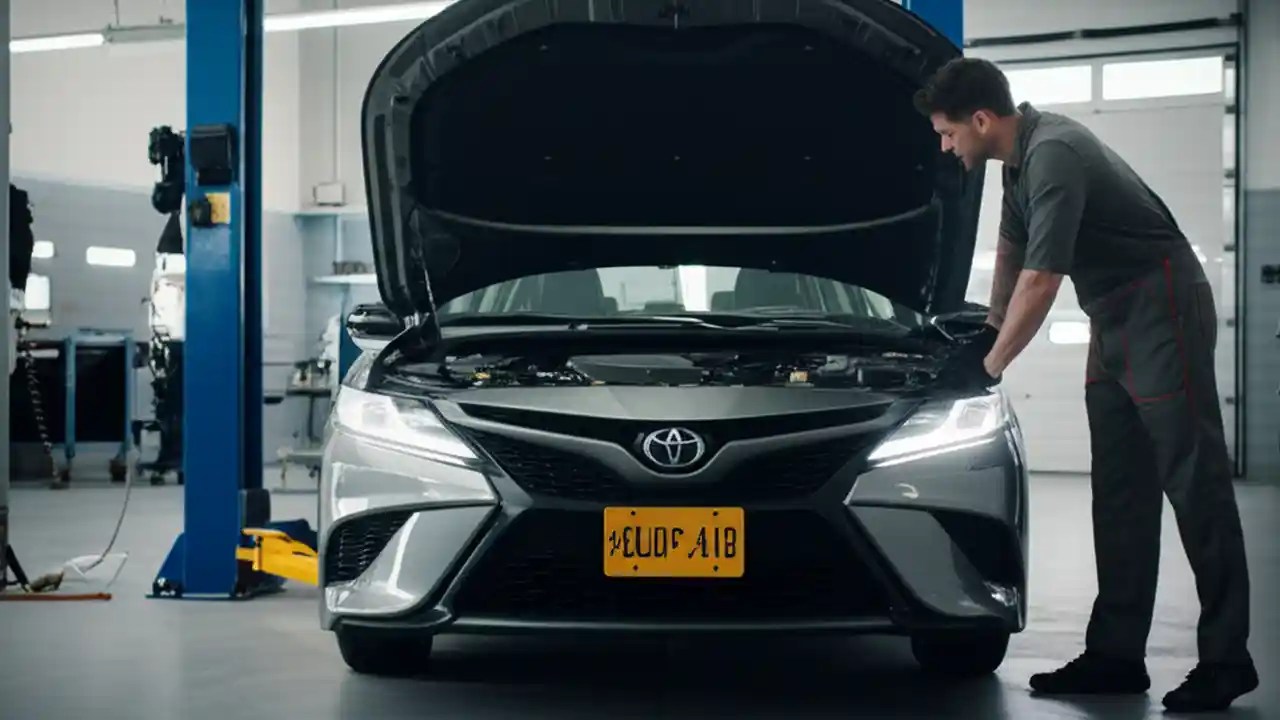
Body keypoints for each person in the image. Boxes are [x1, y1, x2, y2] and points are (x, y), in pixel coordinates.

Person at [913, 58, 1257, 713]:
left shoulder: (1056, 154)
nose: (944, 145)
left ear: (981, 120)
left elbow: (1042, 280)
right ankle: (1117, 655)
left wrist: (989, 369)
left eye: (948, 132)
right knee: (1121, 488)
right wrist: (987, 334)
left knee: (1194, 481)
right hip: (1113, 315)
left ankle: (1226, 659)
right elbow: (1012, 260)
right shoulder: (1015, 167)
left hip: (1162, 308)